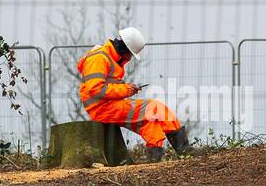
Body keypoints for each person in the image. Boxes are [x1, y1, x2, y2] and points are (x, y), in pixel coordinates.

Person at [77, 27, 190, 161]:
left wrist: (126, 87)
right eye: (130, 54)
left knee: (149, 121)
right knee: (156, 108)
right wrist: (126, 90)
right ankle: (184, 149)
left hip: (107, 107)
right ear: (125, 49)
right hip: (104, 108)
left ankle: (154, 159)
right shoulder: (99, 58)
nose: (130, 58)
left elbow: (106, 85)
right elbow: (95, 89)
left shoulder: (108, 57)